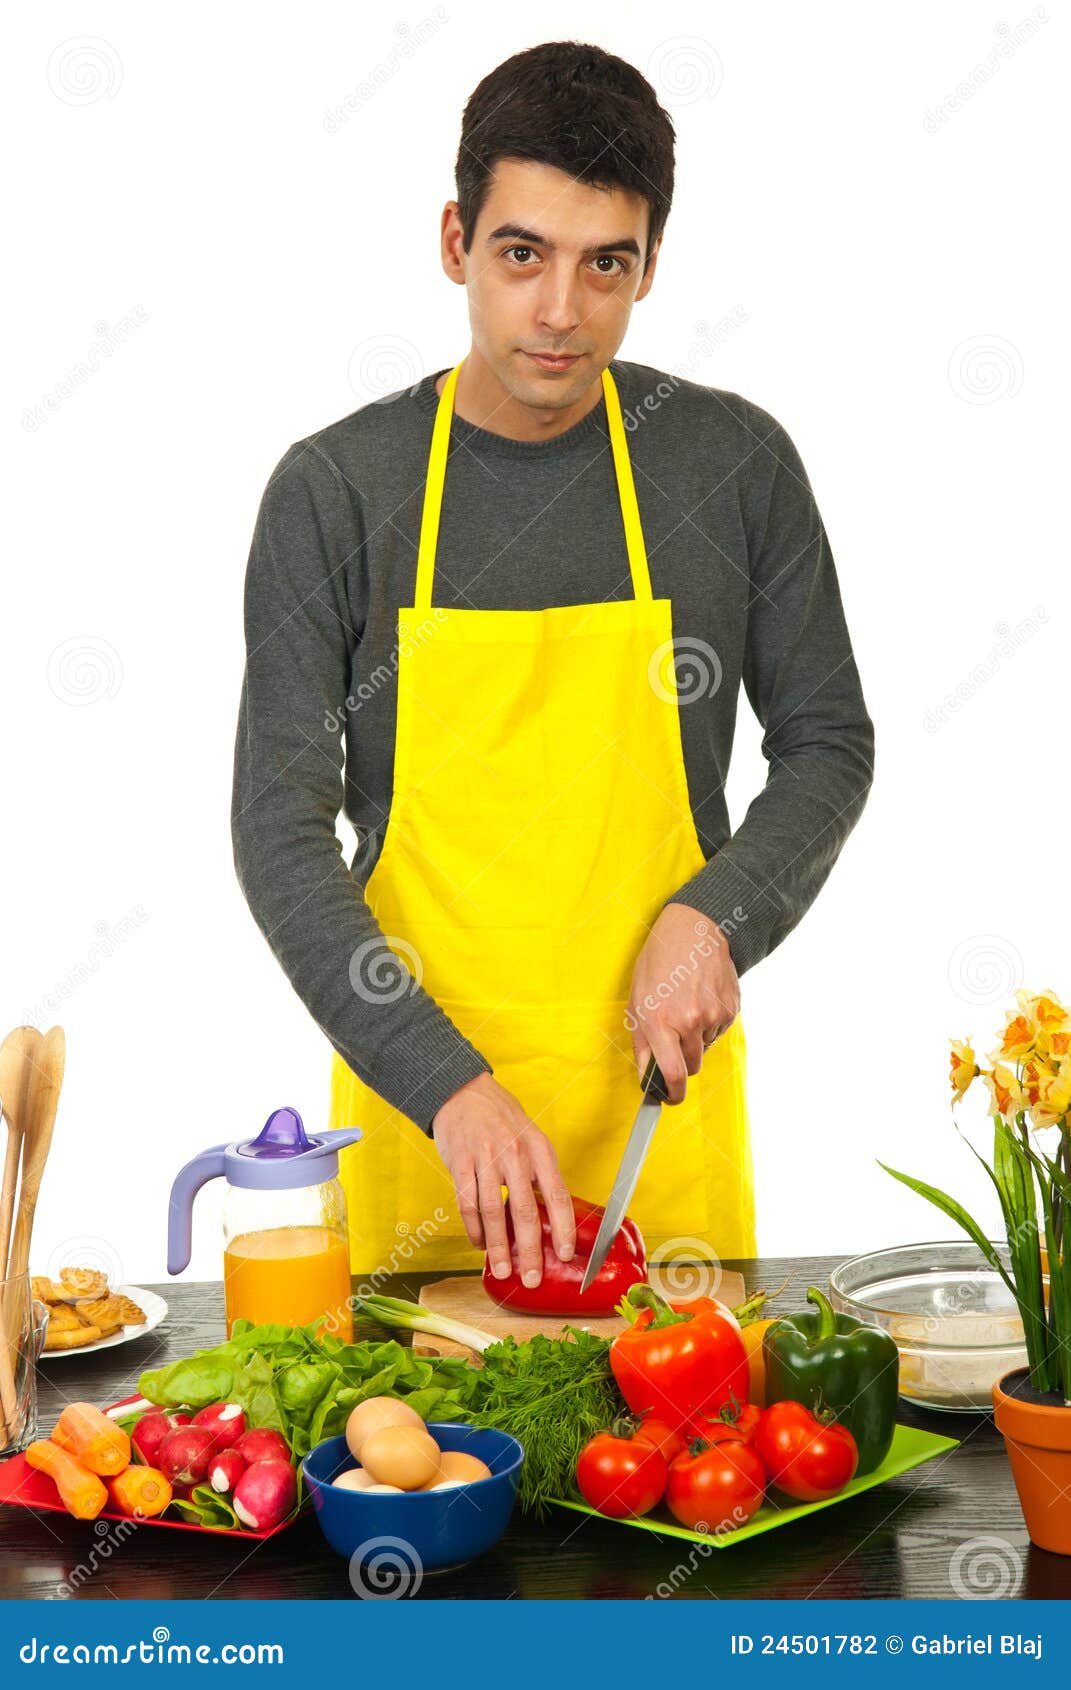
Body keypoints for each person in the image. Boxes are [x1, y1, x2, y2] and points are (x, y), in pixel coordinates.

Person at [231, 41, 874, 1286]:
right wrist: (446, 1087)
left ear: (650, 265)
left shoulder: (733, 467)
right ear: (454, 240)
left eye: (606, 264)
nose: (561, 311)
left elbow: (829, 741)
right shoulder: (335, 491)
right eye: (523, 253)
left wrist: (714, 918)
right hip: (428, 1138)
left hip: (659, 1120)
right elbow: (278, 828)